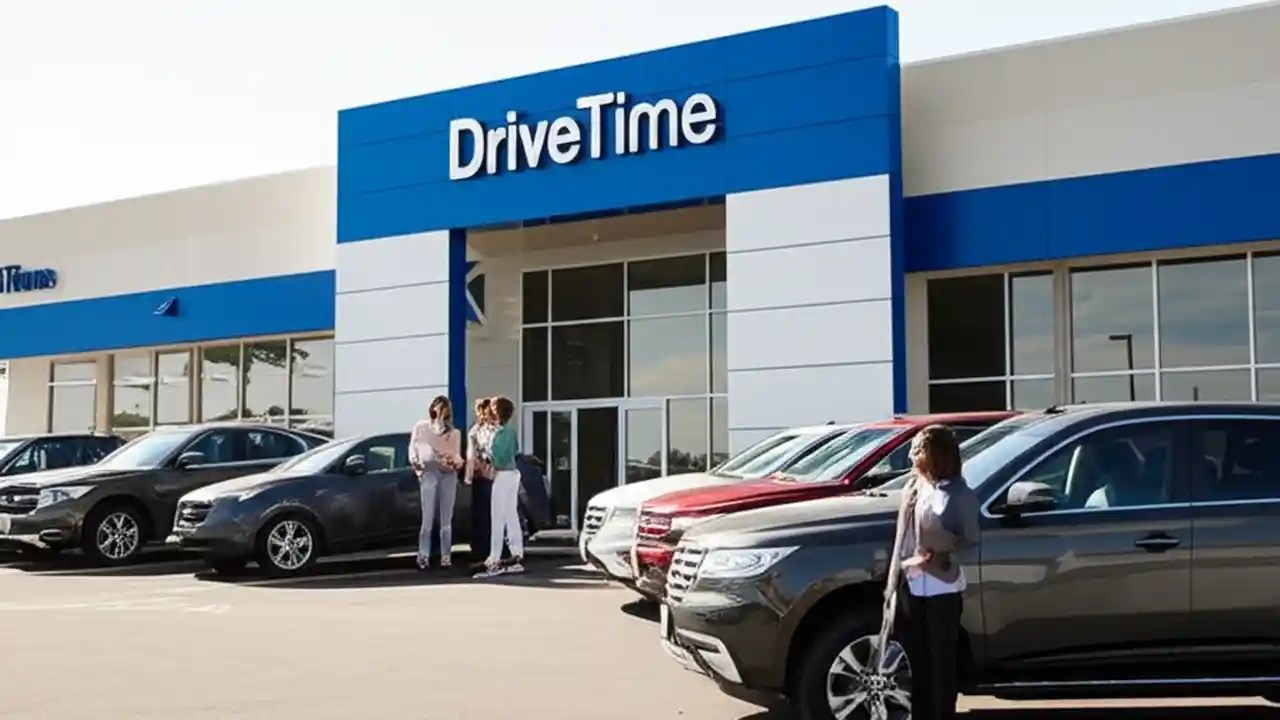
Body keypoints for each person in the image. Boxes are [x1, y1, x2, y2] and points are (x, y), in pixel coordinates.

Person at [892, 425, 980, 720]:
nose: (911, 456)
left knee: (942, 664)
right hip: (912, 586)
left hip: (943, 588)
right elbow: (901, 537)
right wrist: (894, 578)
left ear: (935, 455)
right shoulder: (913, 488)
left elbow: (970, 540)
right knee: (917, 663)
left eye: (918, 451)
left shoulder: (959, 494)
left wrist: (940, 554)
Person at [409, 396, 463, 570]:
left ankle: (445, 555)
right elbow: (413, 448)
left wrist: (454, 462)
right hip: (429, 472)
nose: (439, 414)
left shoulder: (453, 433)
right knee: (428, 517)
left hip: (447, 474)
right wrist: (416, 464)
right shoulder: (421, 427)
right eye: (437, 409)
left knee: (446, 518)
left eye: (443, 411)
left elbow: (456, 456)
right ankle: (423, 555)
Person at [474, 396, 524, 579]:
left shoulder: (499, 433)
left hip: (502, 476)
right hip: (514, 474)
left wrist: (486, 453)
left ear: (497, 411)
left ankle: (494, 559)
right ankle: (516, 554)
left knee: (497, 518)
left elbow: (498, 457)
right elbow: (514, 450)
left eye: (493, 407)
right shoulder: (510, 431)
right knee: (511, 515)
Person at [465, 398, 498, 569]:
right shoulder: (496, 430)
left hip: (482, 478)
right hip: (495, 477)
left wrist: (468, 478)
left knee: (481, 516)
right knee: (493, 516)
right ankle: (494, 551)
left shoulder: (476, 431)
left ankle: (481, 552)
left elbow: (471, 457)